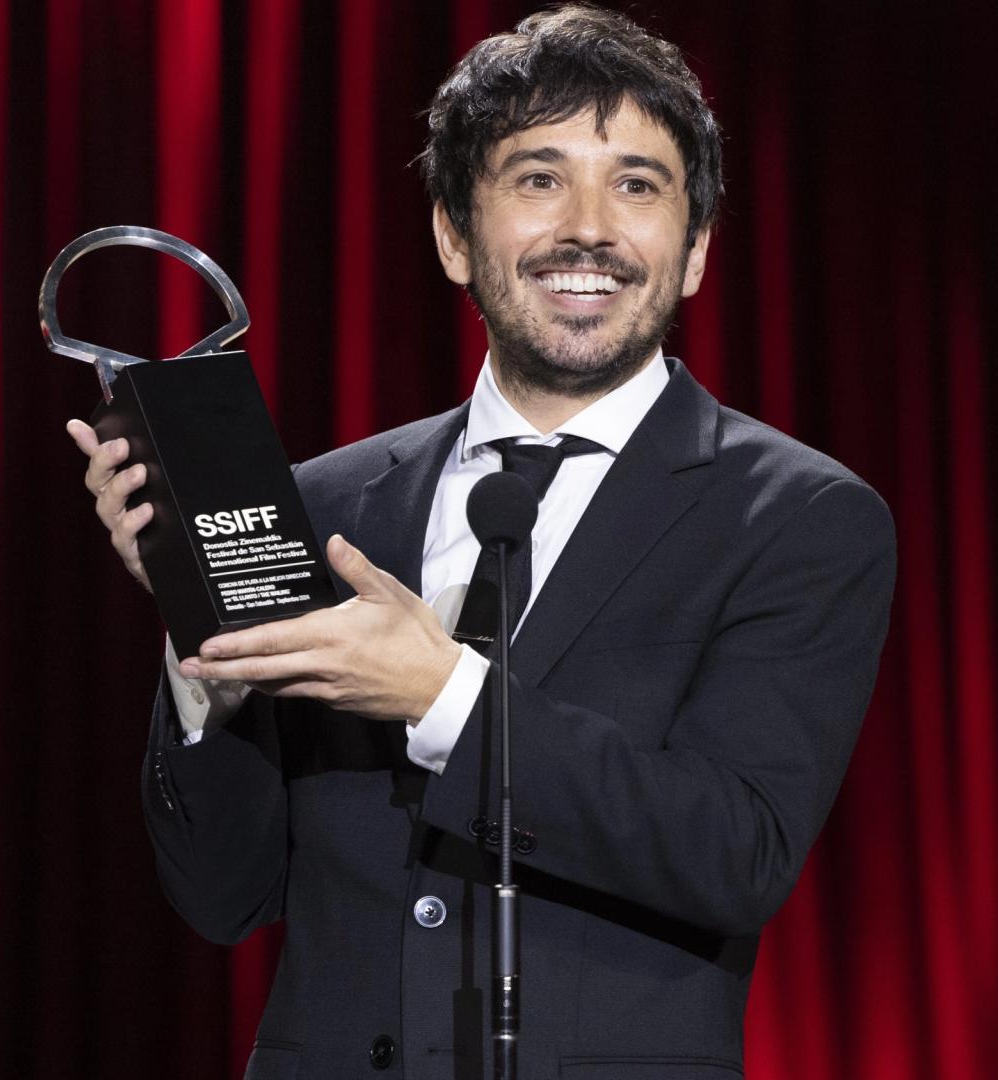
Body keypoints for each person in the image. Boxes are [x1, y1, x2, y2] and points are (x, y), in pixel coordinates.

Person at [67, 7, 894, 1077]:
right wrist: (201, 636)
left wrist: (444, 695)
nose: (588, 227)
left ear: (693, 253)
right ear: (456, 234)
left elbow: (734, 853)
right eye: (539, 179)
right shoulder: (327, 508)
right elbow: (227, 898)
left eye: (638, 186)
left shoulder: (796, 517)